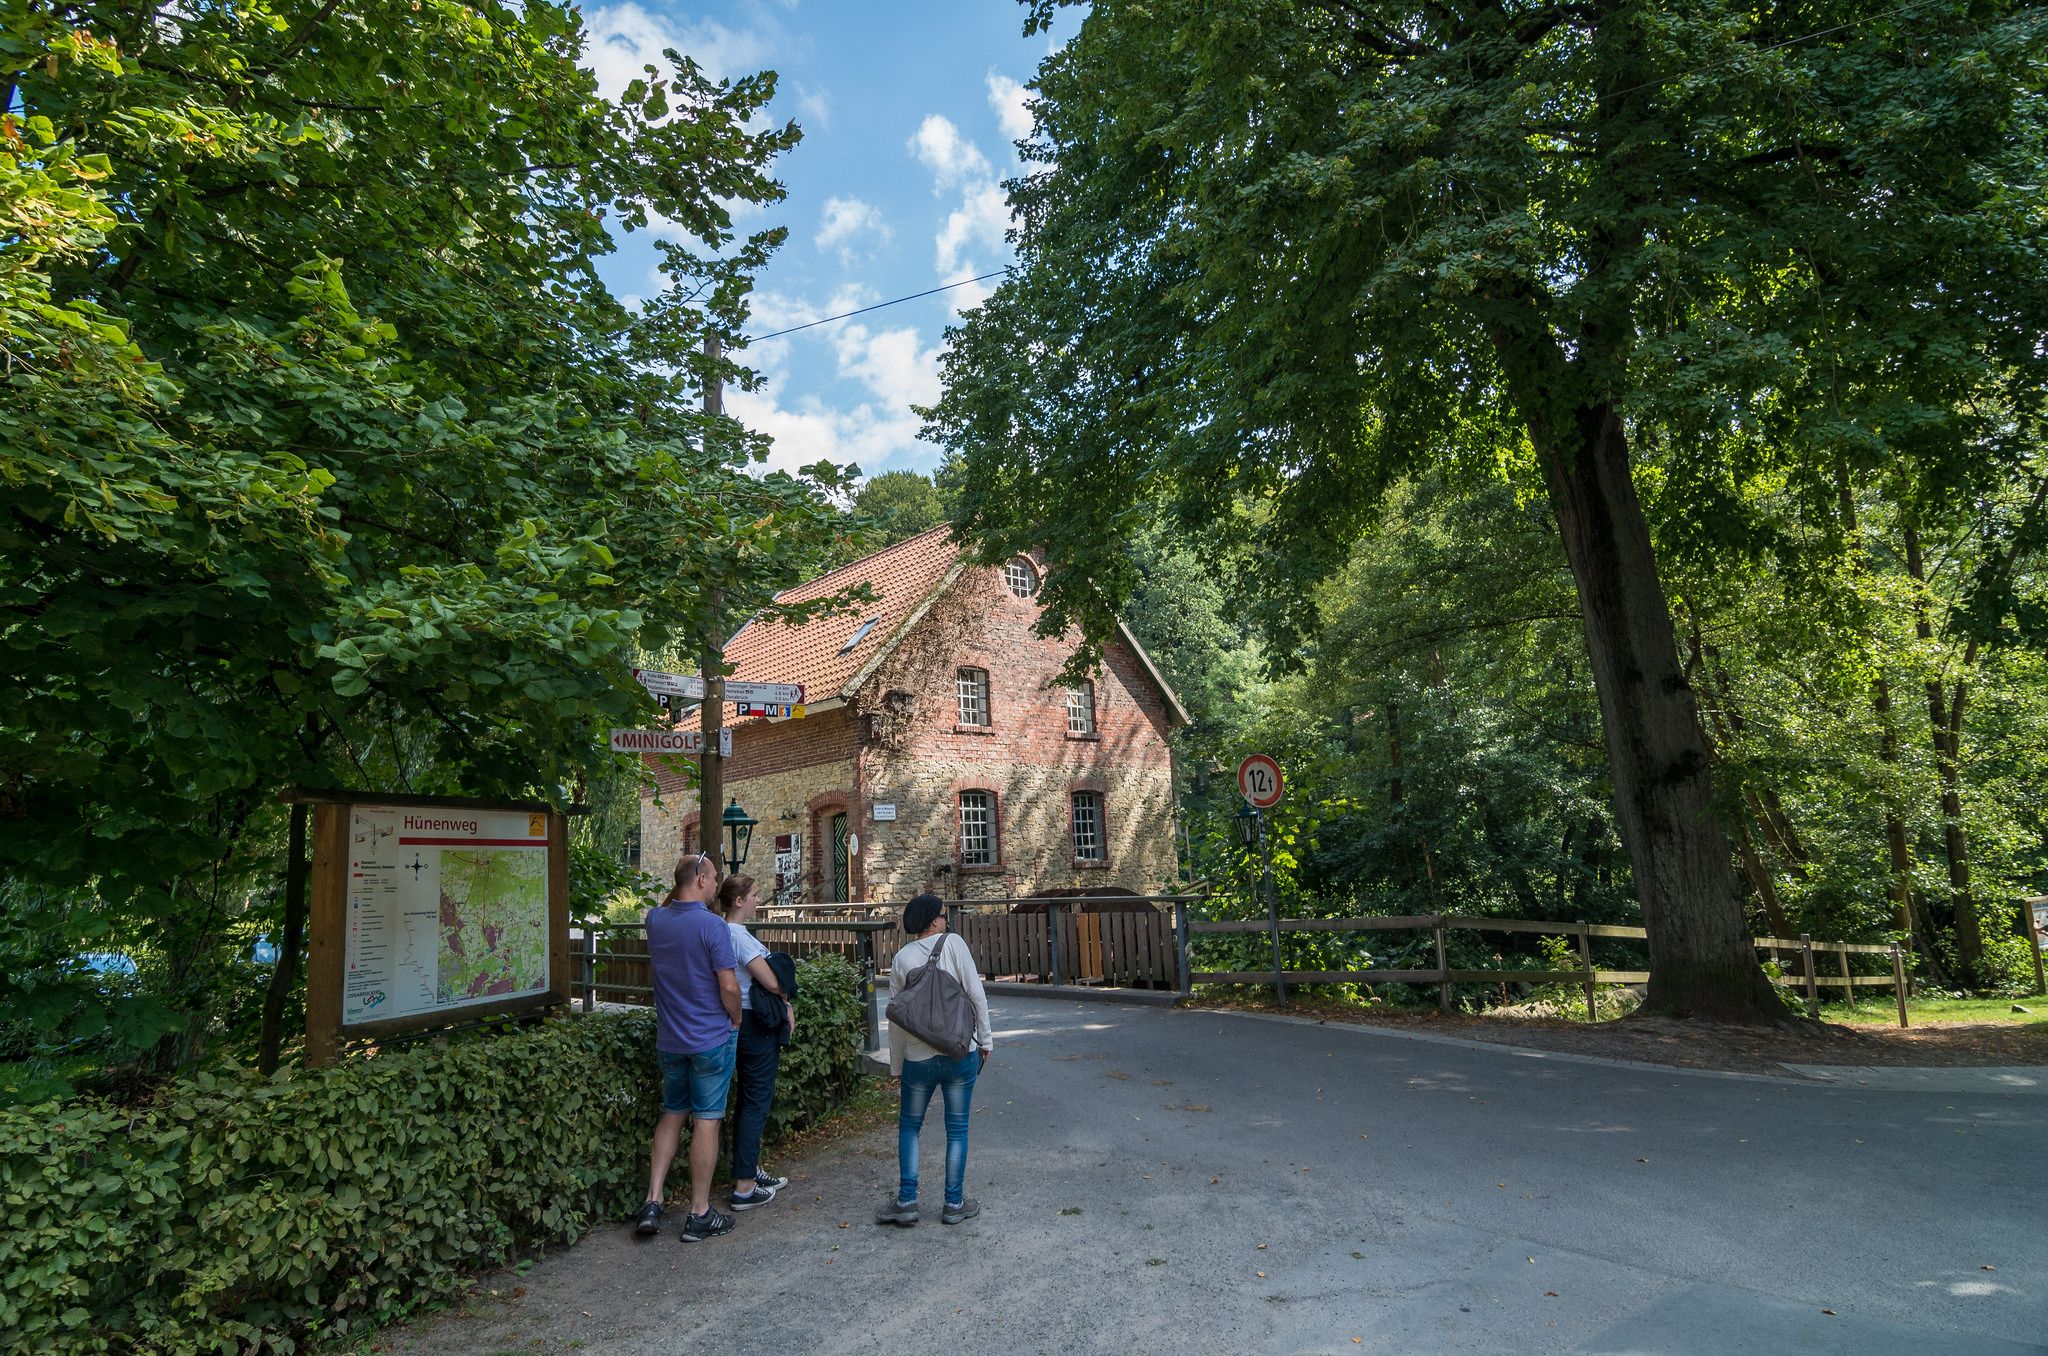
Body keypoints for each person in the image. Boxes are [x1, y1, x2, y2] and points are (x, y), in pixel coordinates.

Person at [635, 853, 741, 1243]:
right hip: (710, 1038)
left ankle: (653, 1200)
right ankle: (699, 1212)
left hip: (671, 1040)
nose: (716, 885)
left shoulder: (655, 920)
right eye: (713, 878)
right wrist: (735, 1018)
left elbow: (668, 904)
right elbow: (729, 987)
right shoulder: (713, 927)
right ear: (699, 879)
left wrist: (681, 885)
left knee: (672, 1113)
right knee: (707, 1120)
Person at [875, 894, 993, 1228]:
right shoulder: (954, 945)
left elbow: (897, 1018)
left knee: (910, 1127)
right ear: (933, 922)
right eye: (943, 915)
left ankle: (907, 1201)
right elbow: (975, 994)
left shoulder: (901, 959)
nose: (946, 920)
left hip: (918, 1058)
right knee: (957, 1130)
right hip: (959, 1053)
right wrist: (985, 1039)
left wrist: (896, 1065)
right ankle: (954, 1203)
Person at [710, 874, 795, 1212]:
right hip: (756, 1026)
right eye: (755, 895)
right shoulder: (738, 937)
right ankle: (744, 1186)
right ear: (740, 901)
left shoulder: (719, 932)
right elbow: (771, 980)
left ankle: (749, 1169)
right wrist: (785, 994)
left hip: (737, 1023)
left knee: (747, 1100)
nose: (759, 900)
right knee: (756, 1102)